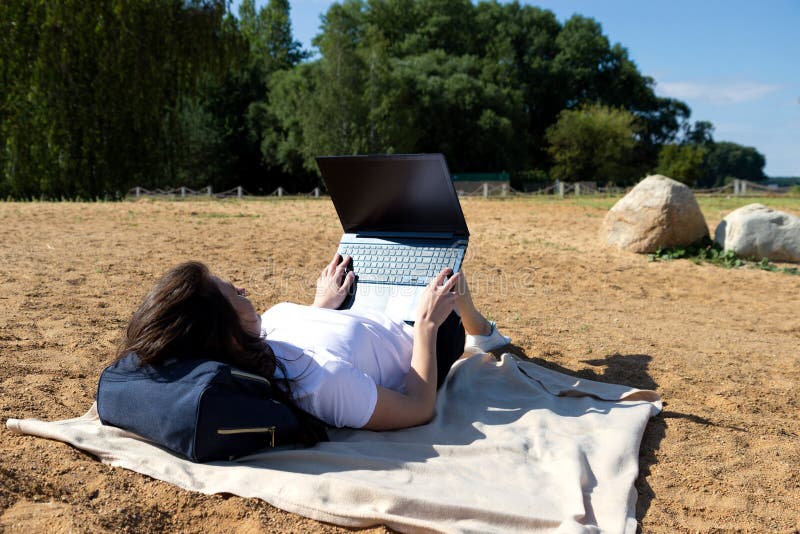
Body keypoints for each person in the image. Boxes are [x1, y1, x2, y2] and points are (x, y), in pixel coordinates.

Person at [117, 254, 511, 431]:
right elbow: (418, 407)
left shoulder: (253, 345)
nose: (242, 288)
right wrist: (427, 322)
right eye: (233, 293)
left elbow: (301, 340)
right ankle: (482, 335)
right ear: (226, 330)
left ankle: (478, 326)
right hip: (419, 343)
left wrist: (321, 305)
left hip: (349, 320)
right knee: (450, 276)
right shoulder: (321, 381)